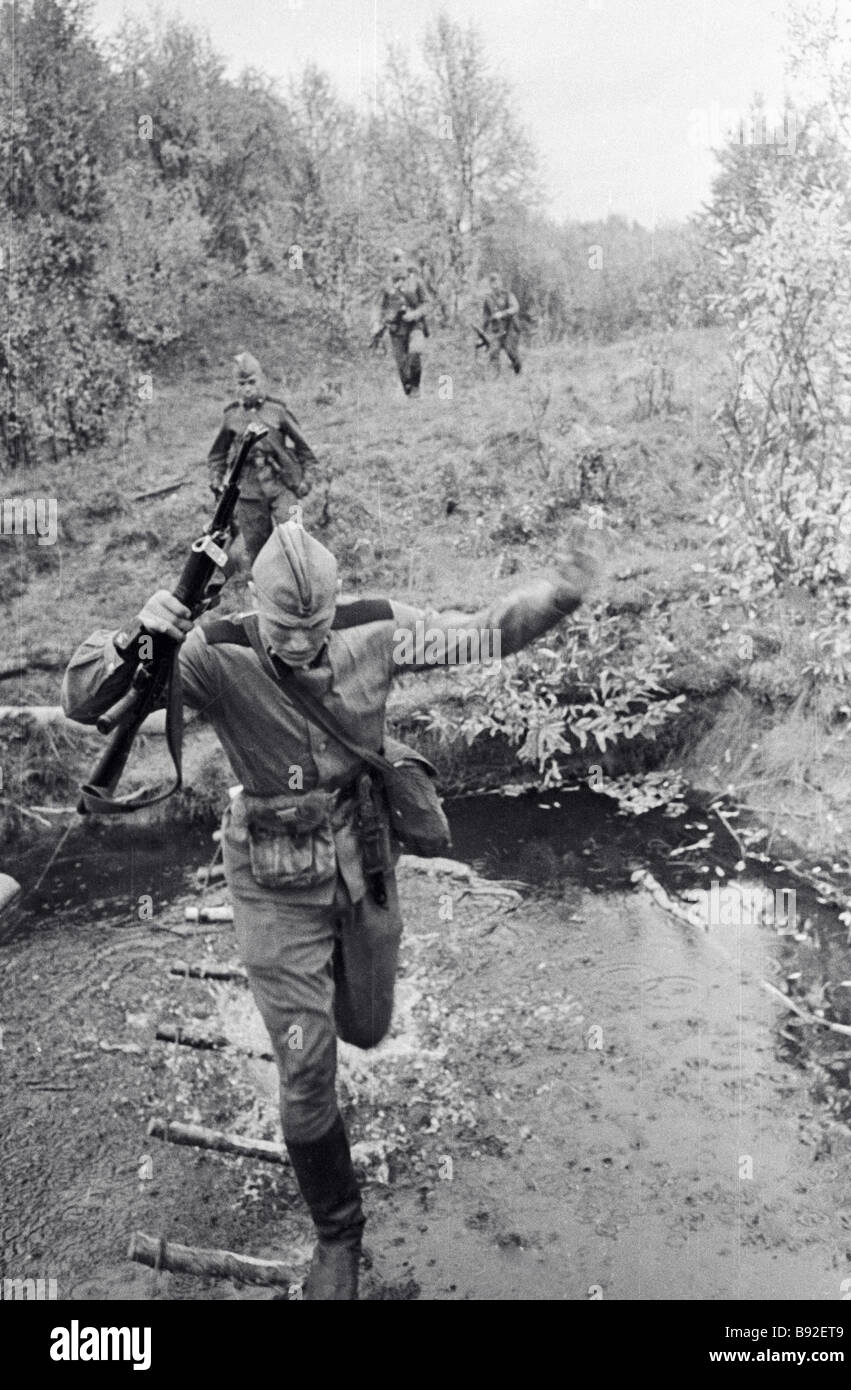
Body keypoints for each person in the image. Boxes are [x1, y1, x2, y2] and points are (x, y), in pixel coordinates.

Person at [61, 517, 602, 1300]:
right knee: (309, 1063)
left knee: (368, 1028)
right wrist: (135, 639)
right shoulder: (215, 651)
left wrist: (561, 594)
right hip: (271, 877)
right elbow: (87, 703)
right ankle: (338, 1233)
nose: (304, 648)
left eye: (315, 633)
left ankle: (339, 1025)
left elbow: (483, 632)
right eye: (287, 633)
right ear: (256, 607)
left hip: (365, 856)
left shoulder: (377, 630)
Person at [208, 352, 318, 564]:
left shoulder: (277, 411)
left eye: (251, 382)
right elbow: (217, 455)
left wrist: (307, 478)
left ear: (262, 380)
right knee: (258, 549)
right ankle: (266, 590)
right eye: (242, 384)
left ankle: (302, 583)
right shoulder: (231, 416)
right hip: (248, 490)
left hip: (282, 484)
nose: (247, 388)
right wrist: (216, 480)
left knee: (295, 535)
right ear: (236, 386)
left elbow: (305, 449)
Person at [378, 251, 428, 396]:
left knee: (415, 352)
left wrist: (415, 314)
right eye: (395, 262)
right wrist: (376, 323)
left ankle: (416, 386)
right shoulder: (386, 285)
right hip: (396, 328)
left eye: (400, 262)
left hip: (415, 325)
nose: (398, 265)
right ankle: (407, 388)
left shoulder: (416, 282)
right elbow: (378, 306)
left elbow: (427, 303)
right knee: (401, 362)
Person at [483, 273, 522, 375]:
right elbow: (486, 316)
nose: (494, 284)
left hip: (511, 327)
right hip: (497, 329)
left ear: (500, 282)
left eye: (496, 281)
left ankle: (518, 371)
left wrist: (502, 314)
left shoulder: (508, 294)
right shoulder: (488, 298)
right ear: (490, 284)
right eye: (492, 282)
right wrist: (483, 330)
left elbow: (515, 308)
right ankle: (494, 376)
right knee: (494, 351)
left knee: (511, 351)